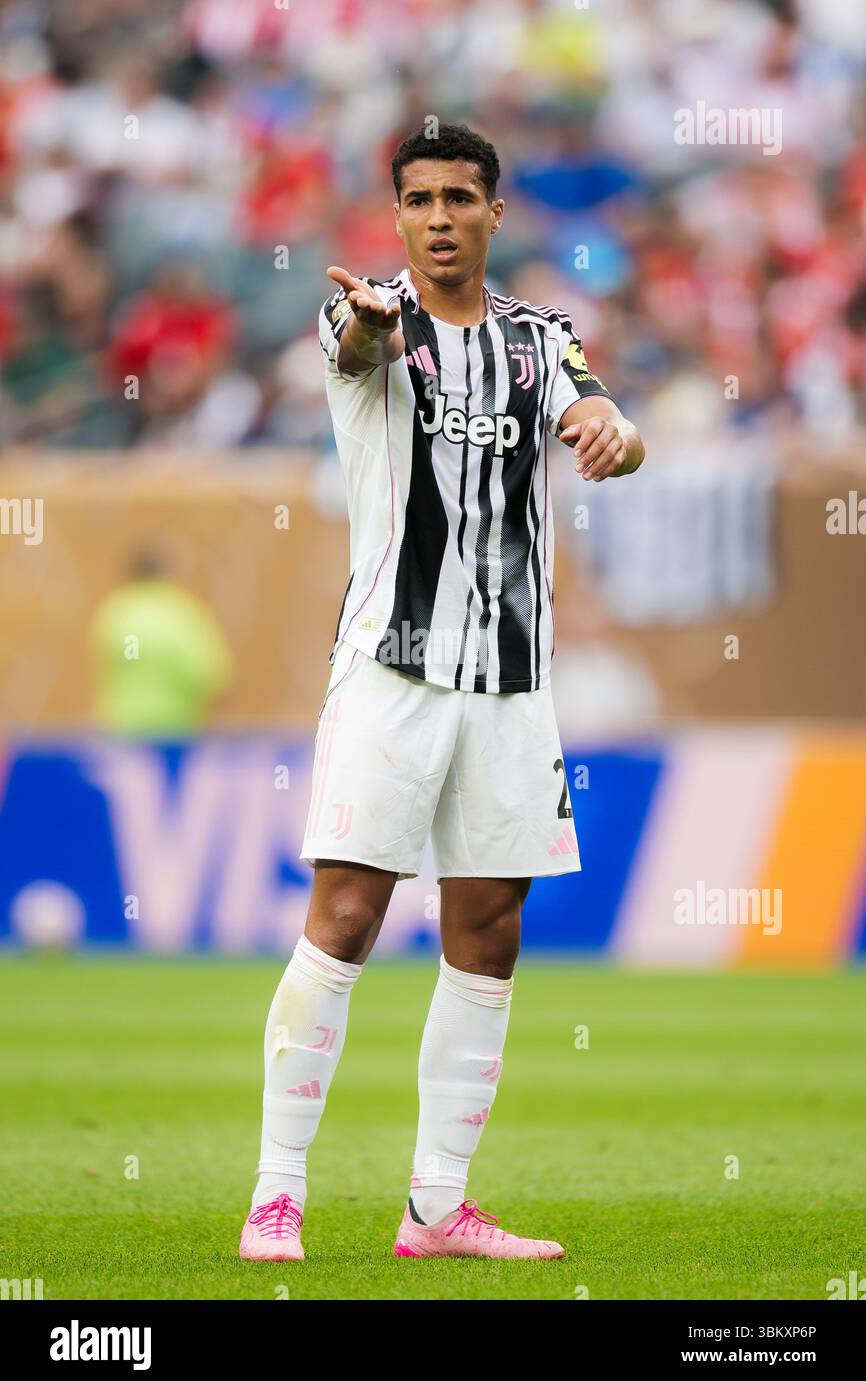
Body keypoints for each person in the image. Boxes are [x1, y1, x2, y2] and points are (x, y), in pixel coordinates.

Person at [239, 124, 644, 1263]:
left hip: (513, 685)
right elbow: (348, 346)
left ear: (493, 212)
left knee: (488, 932)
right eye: (416, 199)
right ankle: (277, 1193)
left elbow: (607, 414)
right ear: (398, 213)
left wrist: (617, 430)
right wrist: (366, 322)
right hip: (391, 672)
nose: (436, 217)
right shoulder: (364, 319)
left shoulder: (539, 336)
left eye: (458, 197)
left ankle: (436, 1205)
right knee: (349, 918)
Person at [89, 550, 235, 737]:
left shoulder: (115, 611)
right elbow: (211, 677)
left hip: (119, 730)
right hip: (173, 732)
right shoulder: (182, 614)